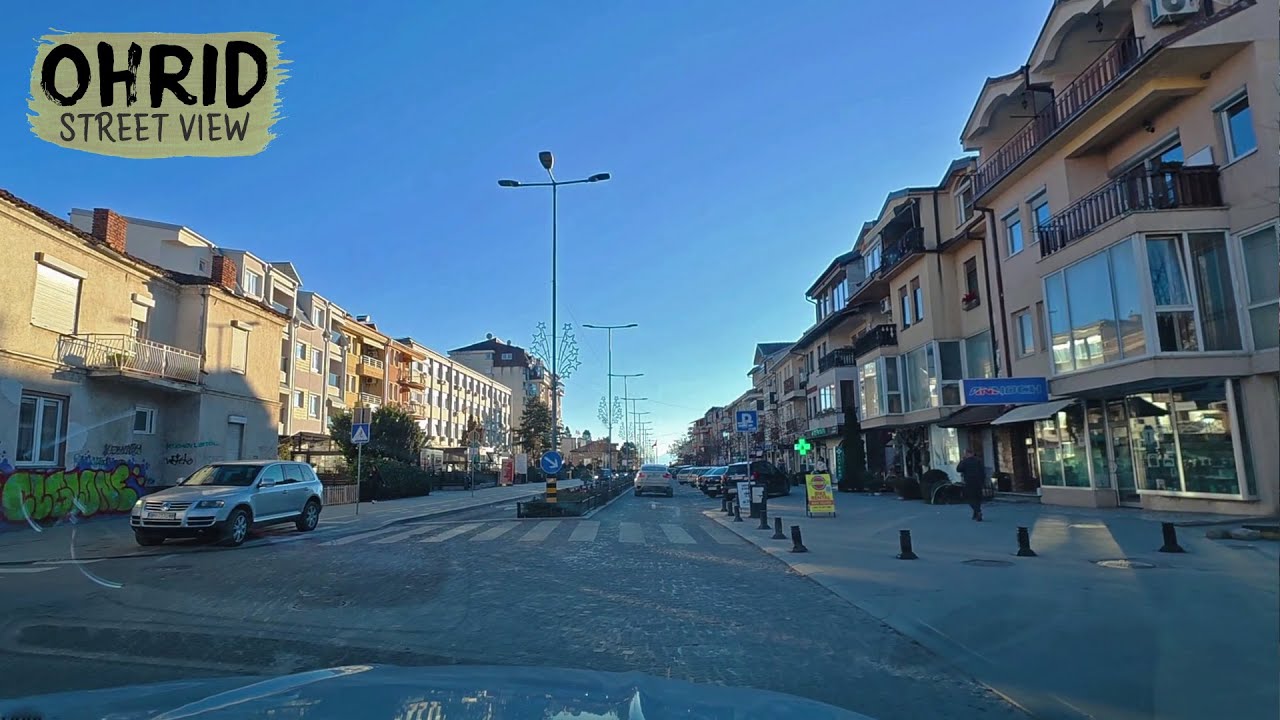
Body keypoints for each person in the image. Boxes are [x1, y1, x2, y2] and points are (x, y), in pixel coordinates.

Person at [956, 449, 987, 522]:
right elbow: (983, 472)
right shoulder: (978, 461)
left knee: (970, 498)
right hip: (978, 482)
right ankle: (976, 513)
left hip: (969, 482)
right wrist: (983, 481)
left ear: (967, 454)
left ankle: (978, 511)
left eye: (965, 454)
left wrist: (961, 461)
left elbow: (958, 469)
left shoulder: (965, 462)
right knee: (977, 498)